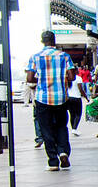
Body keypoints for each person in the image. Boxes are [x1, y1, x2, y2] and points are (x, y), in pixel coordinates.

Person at [25, 30, 76, 171]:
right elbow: (72, 77)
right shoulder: (64, 56)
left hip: (43, 98)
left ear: (42, 41)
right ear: (54, 40)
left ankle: (53, 161)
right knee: (61, 126)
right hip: (61, 97)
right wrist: (59, 79)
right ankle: (63, 152)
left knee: (46, 129)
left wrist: (42, 79)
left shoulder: (35, 57)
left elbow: (29, 78)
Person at [66, 69, 86, 135]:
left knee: (72, 114)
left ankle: (73, 128)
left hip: (69, 98)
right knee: (78, 114)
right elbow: (81, 89)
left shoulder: (67, 78)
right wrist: (86, 98)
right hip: (77, 98)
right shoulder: (78, 78)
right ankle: (74, 128)